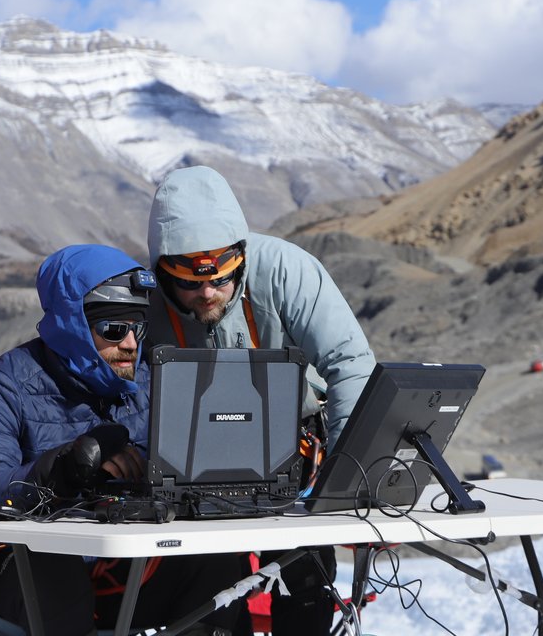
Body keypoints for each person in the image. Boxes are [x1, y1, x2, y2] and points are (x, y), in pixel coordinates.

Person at [0, 244, 250, 636]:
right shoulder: (3, 387)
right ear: (71, 325)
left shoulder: (152, 382)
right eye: (113, 329)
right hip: (22, 572)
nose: (130, 343)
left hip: (125, 566)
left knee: (217, 565)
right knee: (54, 565)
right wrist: (59, 470)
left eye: (138, 327)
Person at [145, 165, 378, 636]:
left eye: (220, 279)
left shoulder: (286, 271)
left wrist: (348, 472)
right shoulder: (146, 299)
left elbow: (350, 361)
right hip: (192, 456)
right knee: (209, 582)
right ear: (164, 270)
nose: (206, 293)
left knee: (303, 569)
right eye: (189, 284)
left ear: (241, 258)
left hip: (297, 446)